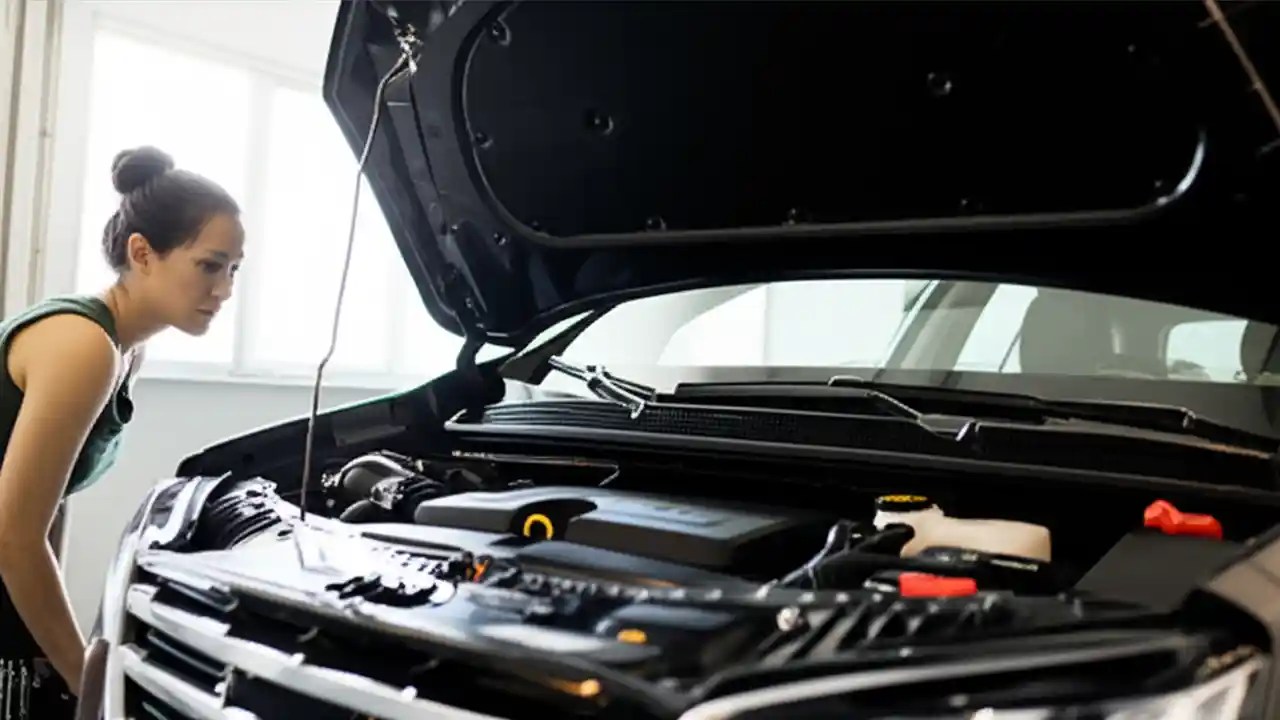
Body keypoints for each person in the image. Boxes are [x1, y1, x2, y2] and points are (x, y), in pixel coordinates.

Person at [0, 146, 243, 716]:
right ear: (143, 253)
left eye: (234, 269)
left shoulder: (127, 351)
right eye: (210, 265)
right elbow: (13, 536)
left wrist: (48, 649)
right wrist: (90, 681)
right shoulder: (82, 343)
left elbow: (47, 504)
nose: (226, 289)